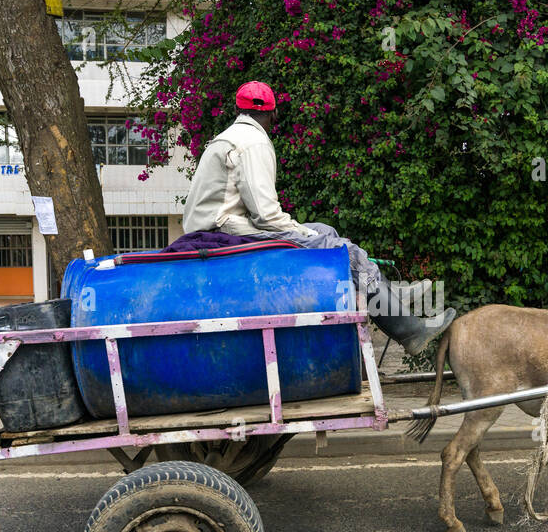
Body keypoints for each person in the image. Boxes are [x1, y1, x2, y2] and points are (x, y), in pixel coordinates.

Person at [182, 80, 455, 354]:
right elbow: (266, 215)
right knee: (338, 249)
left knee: (324, 229)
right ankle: (410, 331)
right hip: (226, 231)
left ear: (238, 109)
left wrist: (310, 232)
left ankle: (388, 296)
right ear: (274, 113)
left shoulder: (228, 136)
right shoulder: (253, 142)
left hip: (223, 225)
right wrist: (307, 236)